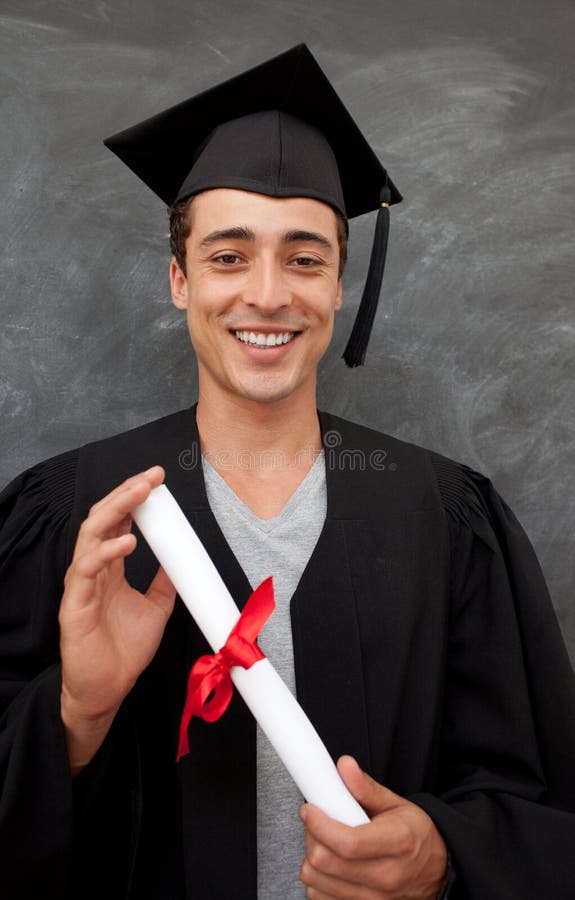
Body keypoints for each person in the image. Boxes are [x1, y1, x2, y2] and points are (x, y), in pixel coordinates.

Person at [1, 44, 574, 900]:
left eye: (303, 258)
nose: (267, 294)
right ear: (178, 281)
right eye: (228, 256)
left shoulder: (443, 517)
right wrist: (78, 709)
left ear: (338, 285)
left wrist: (444, 852)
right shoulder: (78, 516)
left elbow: (538, 798)